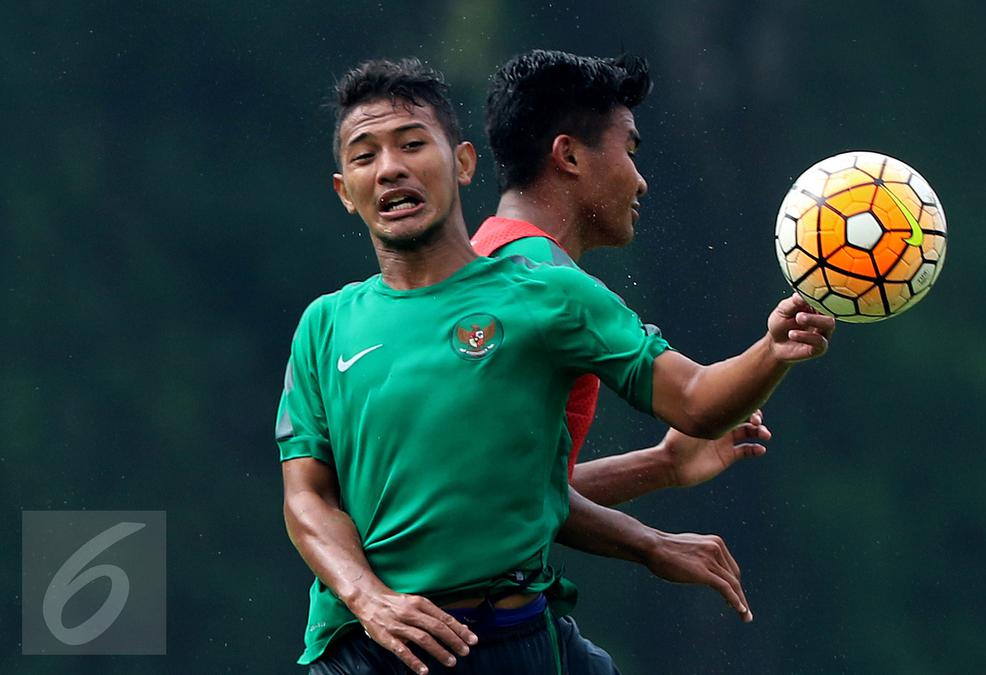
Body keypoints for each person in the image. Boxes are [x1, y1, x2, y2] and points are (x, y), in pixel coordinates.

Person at [278, 58, 834, 674]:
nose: (390, 168)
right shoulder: (325, 325)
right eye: (365, 156)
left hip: (508, 639)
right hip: (364, 648)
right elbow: (308, 496)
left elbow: (693, 402)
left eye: (412, 145)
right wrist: (369, 598)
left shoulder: (547, 295)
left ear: (464, 164)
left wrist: (773, 347)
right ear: (343, 192)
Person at [477, 48, 779, 621]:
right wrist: (779, 345)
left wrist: (661, 465)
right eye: (629, 150)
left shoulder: (476, 260)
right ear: (568, 155)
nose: (640, 180)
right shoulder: (553, 287)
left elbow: (515, 495)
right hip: (473, 628)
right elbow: (697, 402)